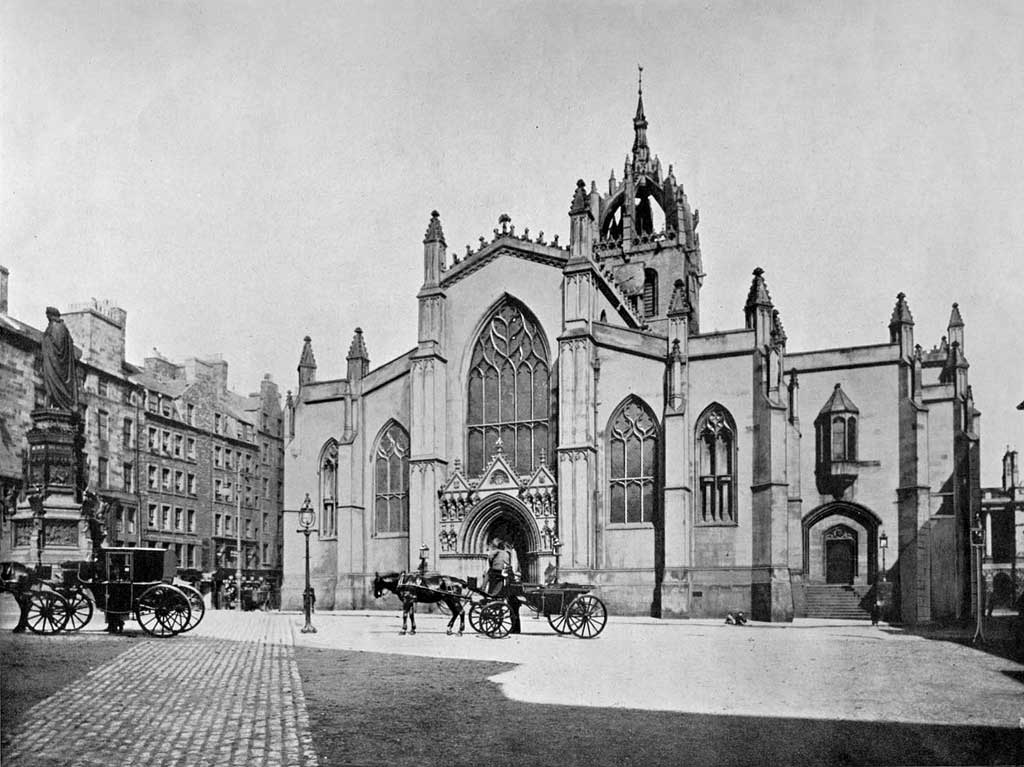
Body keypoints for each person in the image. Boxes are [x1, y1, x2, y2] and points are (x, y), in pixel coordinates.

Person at [41, 307, 79, 412]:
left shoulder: (56, 327)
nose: (46, 316)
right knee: (52, 385)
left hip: (54, 363)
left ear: (51, 315)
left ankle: (56, 403)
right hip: (54, 363)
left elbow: (57, 346)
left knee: (54, 384)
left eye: (47, 314)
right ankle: (54, 403)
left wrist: (46, 341)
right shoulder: (61, 327)